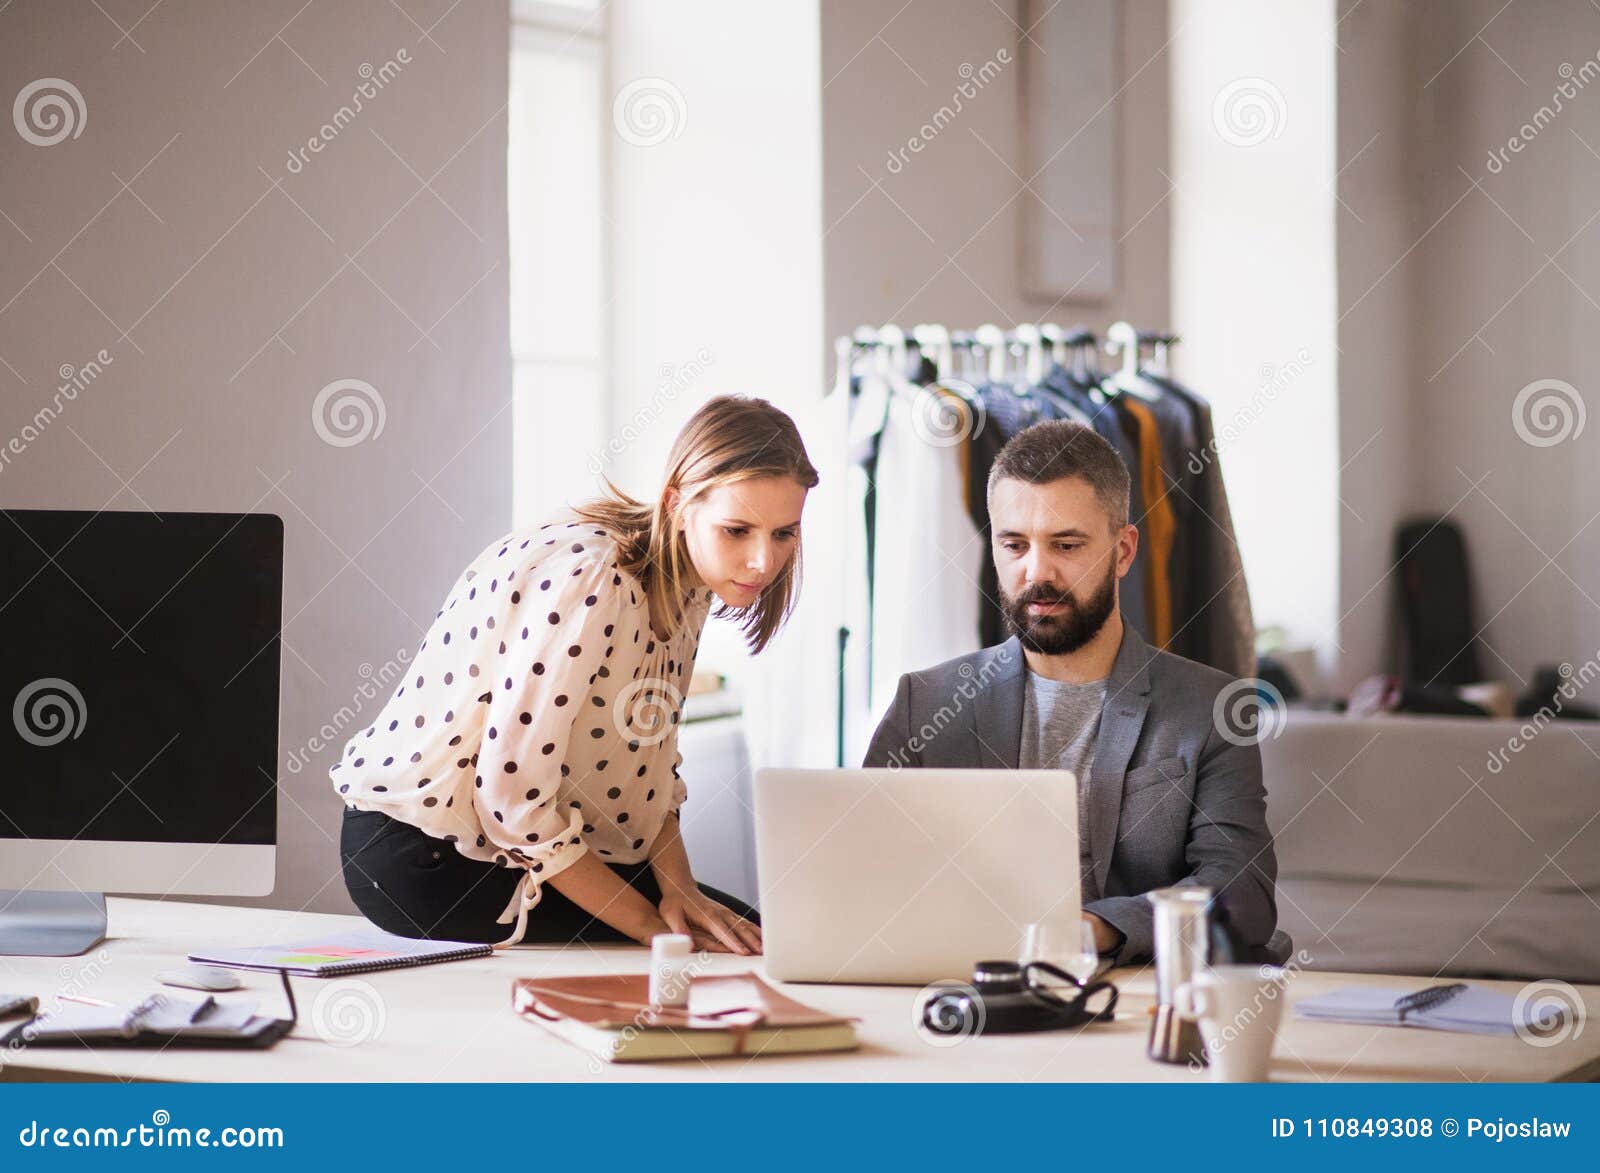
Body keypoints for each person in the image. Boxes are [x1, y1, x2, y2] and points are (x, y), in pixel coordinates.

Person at [332, 395, 817, 953]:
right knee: (736, 949)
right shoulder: (593, 580)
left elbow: (651, 766)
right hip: (428, 854)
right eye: (737, 530)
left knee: (758, 936)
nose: (763, 561)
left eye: (784, 533)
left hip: (519, 846)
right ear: (678, 505)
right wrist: (656, 932)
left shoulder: (690, 583)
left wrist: (682, 892)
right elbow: (511, 799)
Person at [864, 419, 1287, 966]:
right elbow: (866, 868)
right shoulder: (927, 703)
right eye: (1014, 544)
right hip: (965, 988)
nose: (1037, 572)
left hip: (1134, 998)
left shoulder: (1209, 710)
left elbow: (1242, 895)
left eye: (1065, 544)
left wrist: (1099, 928)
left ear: (1124, 551)